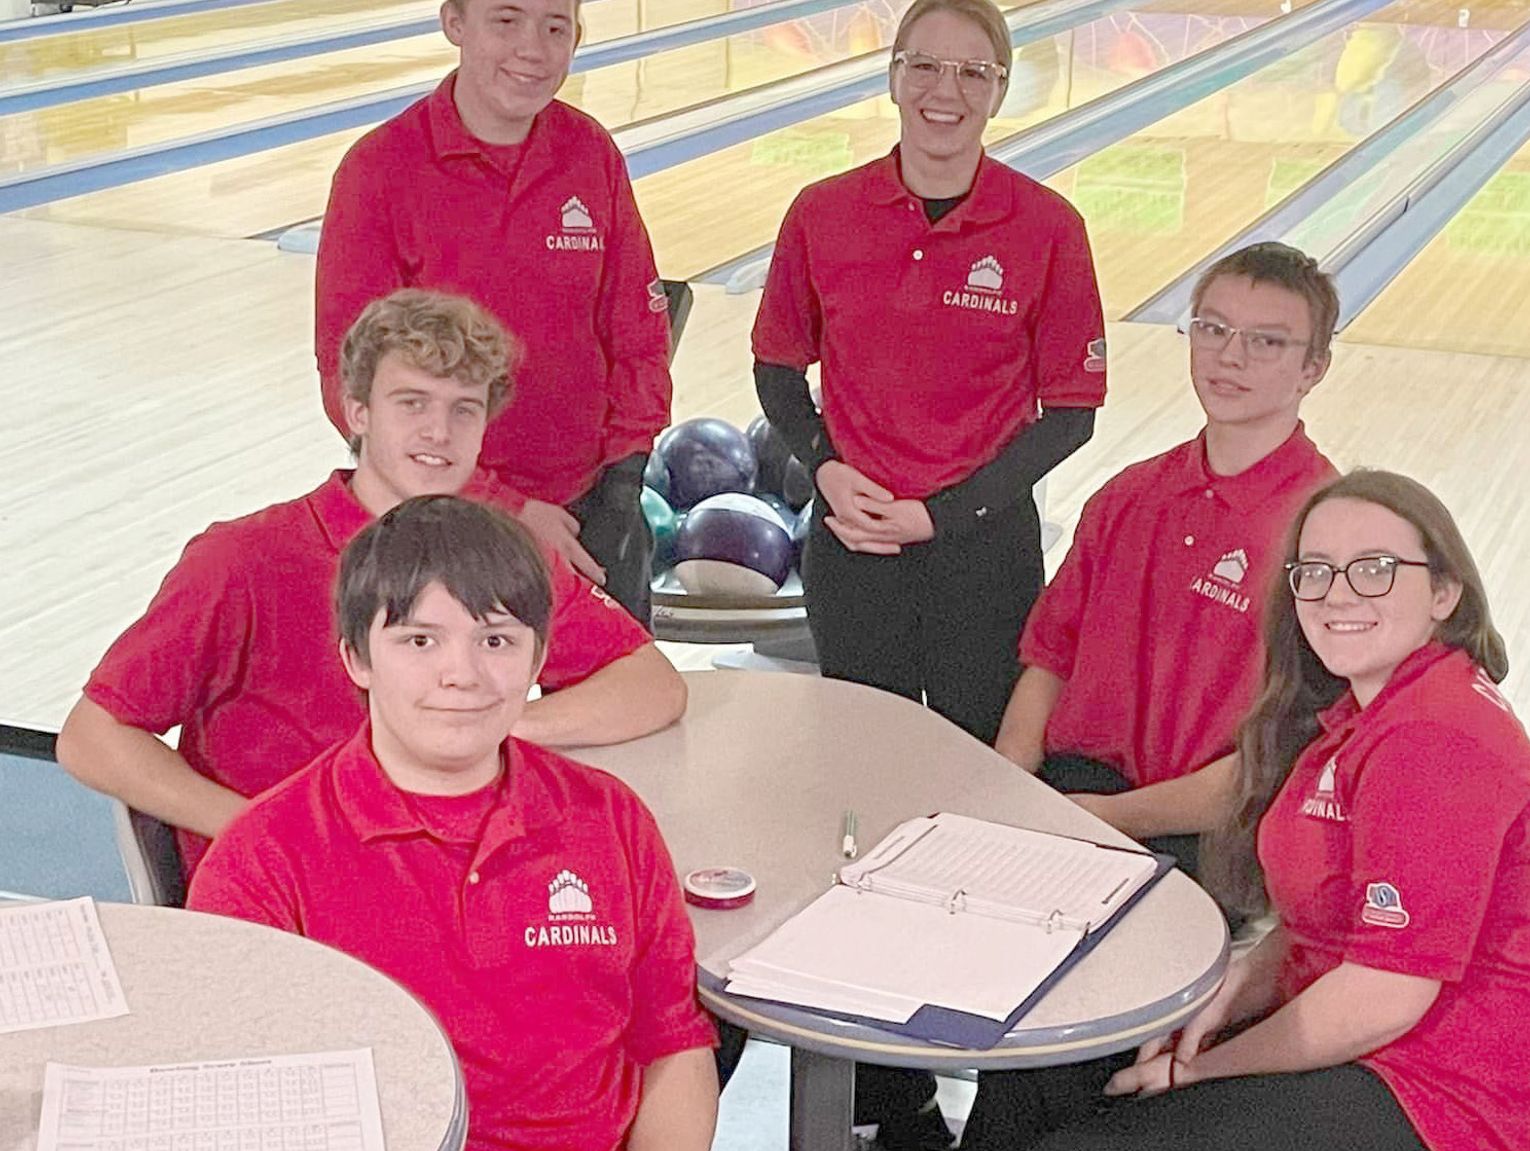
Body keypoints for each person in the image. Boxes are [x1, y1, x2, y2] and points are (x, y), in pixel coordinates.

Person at [56, 290, 684, 878]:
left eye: (463, 409)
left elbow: (651, 685)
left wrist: (488, 719)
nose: (439, 432)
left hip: (443, 878)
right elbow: (92, 737)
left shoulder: (505, 554)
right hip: (289, 898)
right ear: (357, 412)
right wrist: (260, 830)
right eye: (411, 403)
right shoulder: (242, 560)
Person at [1017, 470, 1530, 1151]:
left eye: (1374, 568)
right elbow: (1326, 919)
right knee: (1044, 1072)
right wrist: (1228, 990)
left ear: (1445, 591)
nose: (1338, 593)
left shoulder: (1432, 737)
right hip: (1362, 1047)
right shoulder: (1362, 717)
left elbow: (1384, 994)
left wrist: (1201, 1067)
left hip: (1436, 1094)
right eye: (1315, 571)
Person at [188, 495, 719, 1151]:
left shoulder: (612, 820)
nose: (461, 674)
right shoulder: (262, 861)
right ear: (356, 657)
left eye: (495, 640)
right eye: (419, 639)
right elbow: (239, 1108)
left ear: (538, 657)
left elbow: (672, 1045)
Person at [752, 0, 1106, 751]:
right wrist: (825, 469)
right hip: (854, 546)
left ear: (1001, 90)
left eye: (973, 73)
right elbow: (777, 368)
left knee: (980, 766)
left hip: (984, 555)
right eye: (925, 66)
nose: (946, 91)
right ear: (892, 77)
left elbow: (1073, 412)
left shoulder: (1048, 227)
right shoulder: (823, 213)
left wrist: (944, 516)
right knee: (858, 762)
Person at [989, 242, 1338, 882]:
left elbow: (1276, 762)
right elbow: (1051, 657)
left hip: (1213, 834)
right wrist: (1007, 791)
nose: (1230, 356)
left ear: (1313, 368)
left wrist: (1113, 819)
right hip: (1074, 795)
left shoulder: (1326, 532)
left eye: (1266, 342)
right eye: (1212, 328)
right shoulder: (1129, 494)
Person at [315, 0, 670, 623]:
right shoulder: (379, 172)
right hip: (434, 517)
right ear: (455, 23)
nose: (533, 47)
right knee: (456, 714)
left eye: (555, 26)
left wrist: (623, 479)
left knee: (625, 711)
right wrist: (501, 505)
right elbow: (350, 386)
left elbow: (636, 333)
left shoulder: (589, 152)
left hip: (589, 510)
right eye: (506, 20)